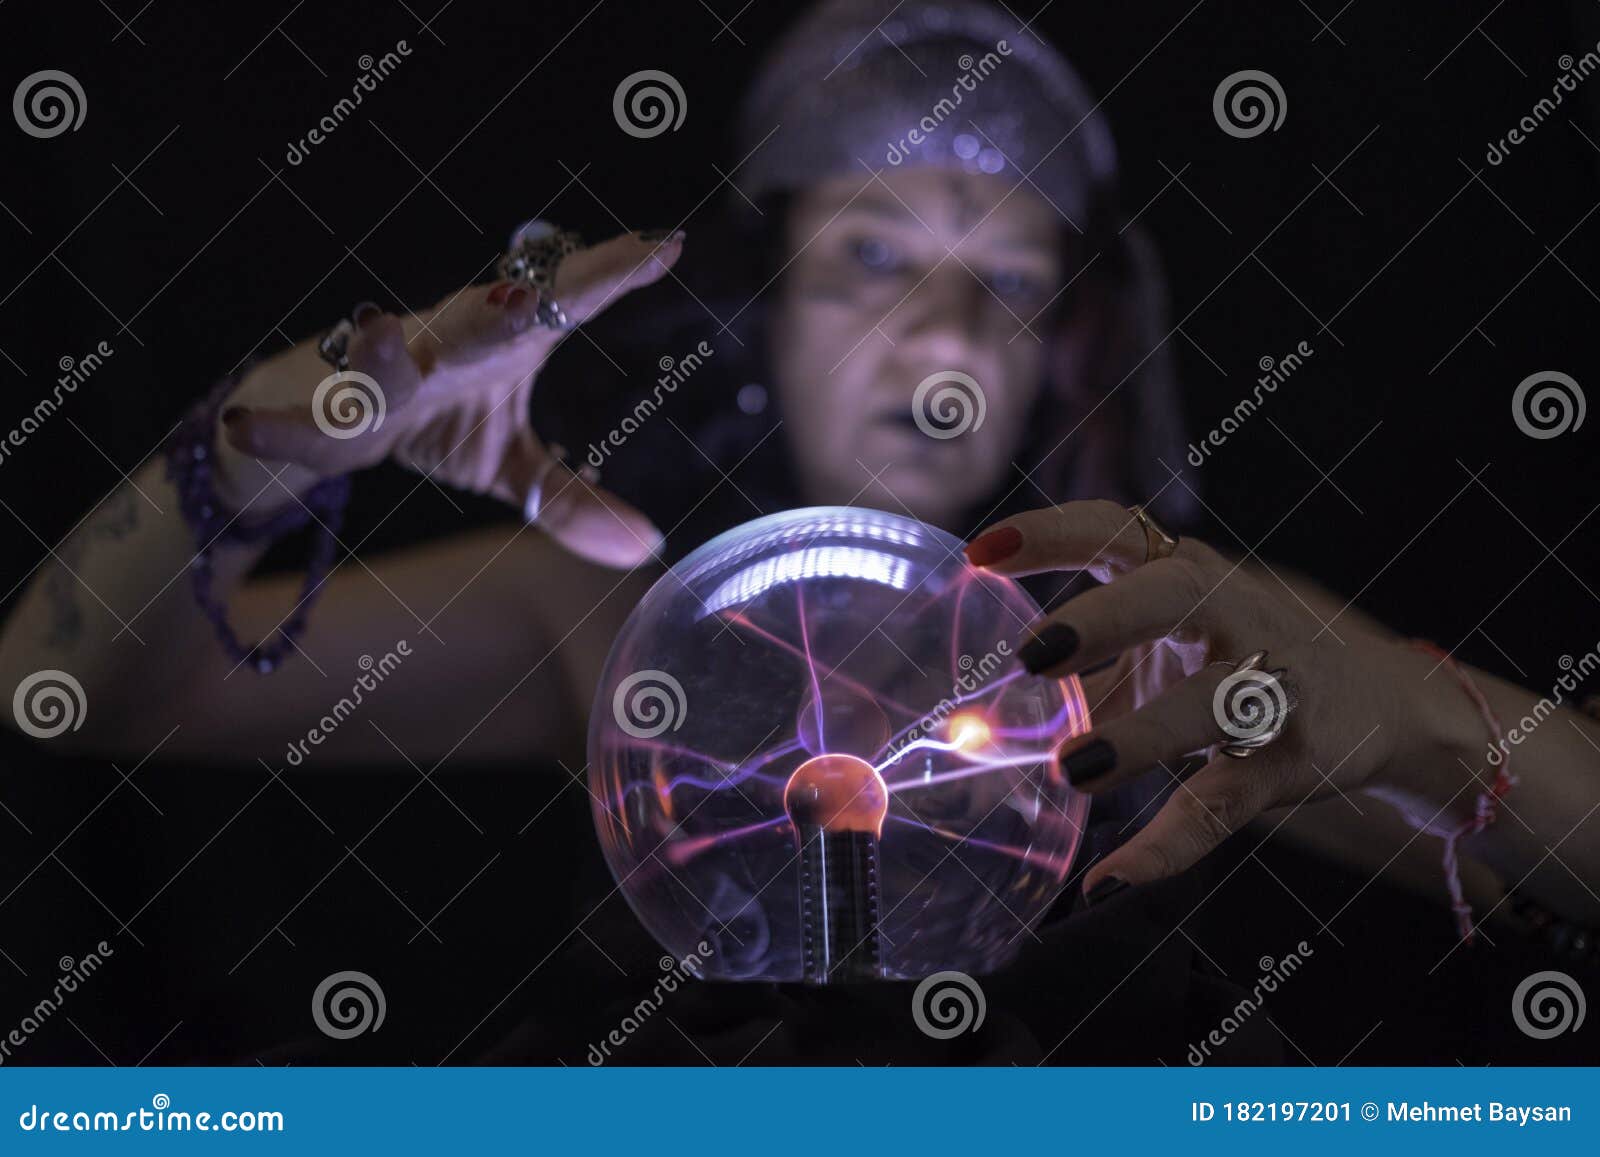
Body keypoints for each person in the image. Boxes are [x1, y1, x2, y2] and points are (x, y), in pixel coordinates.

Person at [1, 0, 1595, 1059]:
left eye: (1015, 281)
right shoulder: (622, 605)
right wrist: (265, 442)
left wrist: (1429, 728)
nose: (947, 332)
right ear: (759, 308)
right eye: (872, 254)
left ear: (1068, 341)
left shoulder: (1173, 631)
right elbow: (68, 692)